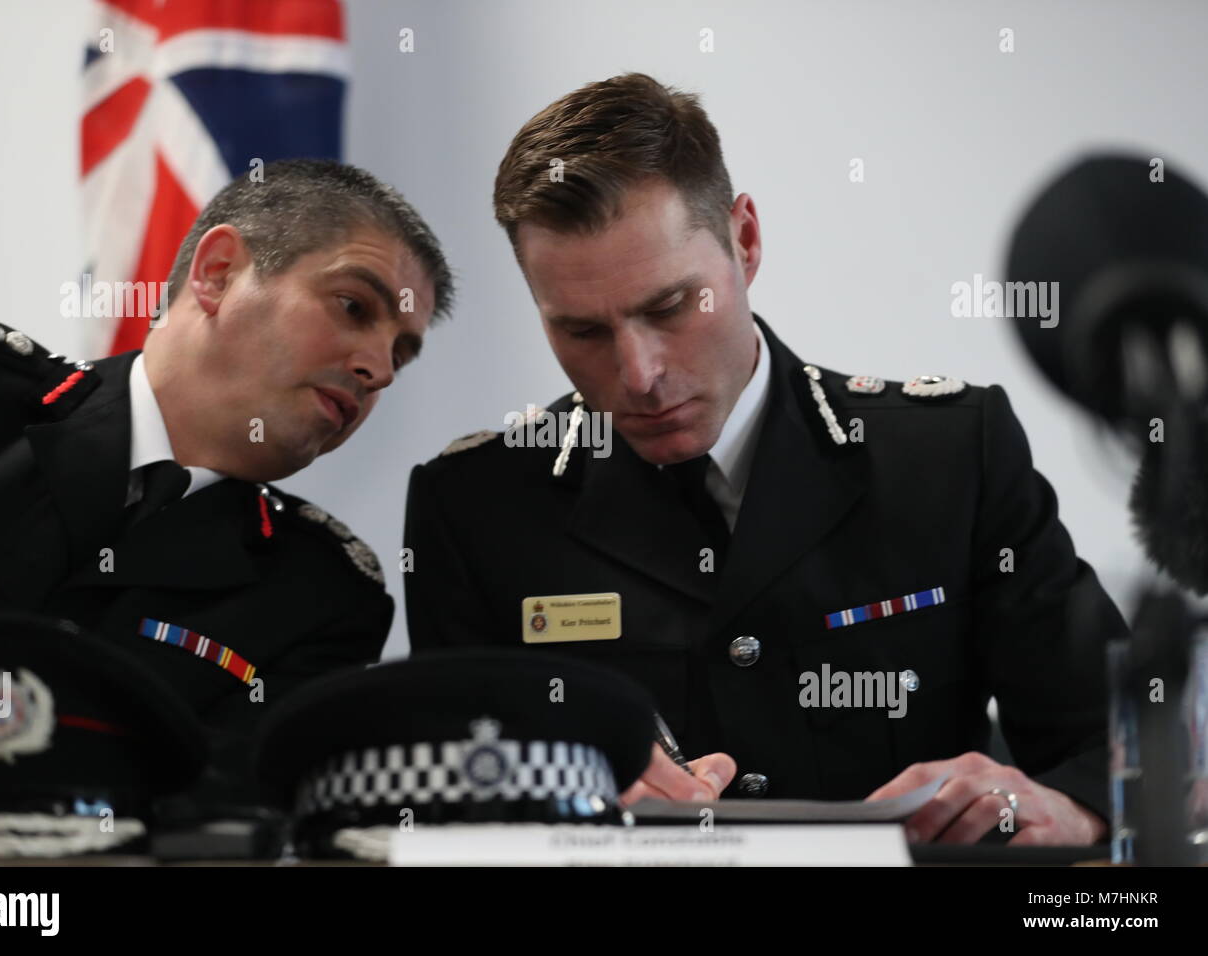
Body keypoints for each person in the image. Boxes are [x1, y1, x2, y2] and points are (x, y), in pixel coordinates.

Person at [403, 73, 1128, 845]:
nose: (640, 374)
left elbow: (1119, 740)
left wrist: (1067, 808)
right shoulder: (477, 507)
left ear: (745, 240)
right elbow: (447, 811)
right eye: (582, 332)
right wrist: (549, 791)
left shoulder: (950, 456)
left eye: (671, 306)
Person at [0, 159, 451, 813]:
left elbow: (211, 822)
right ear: (218, 272)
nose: (379, 371)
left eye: (401, 352)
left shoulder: (322, 595)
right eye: (354, 306)